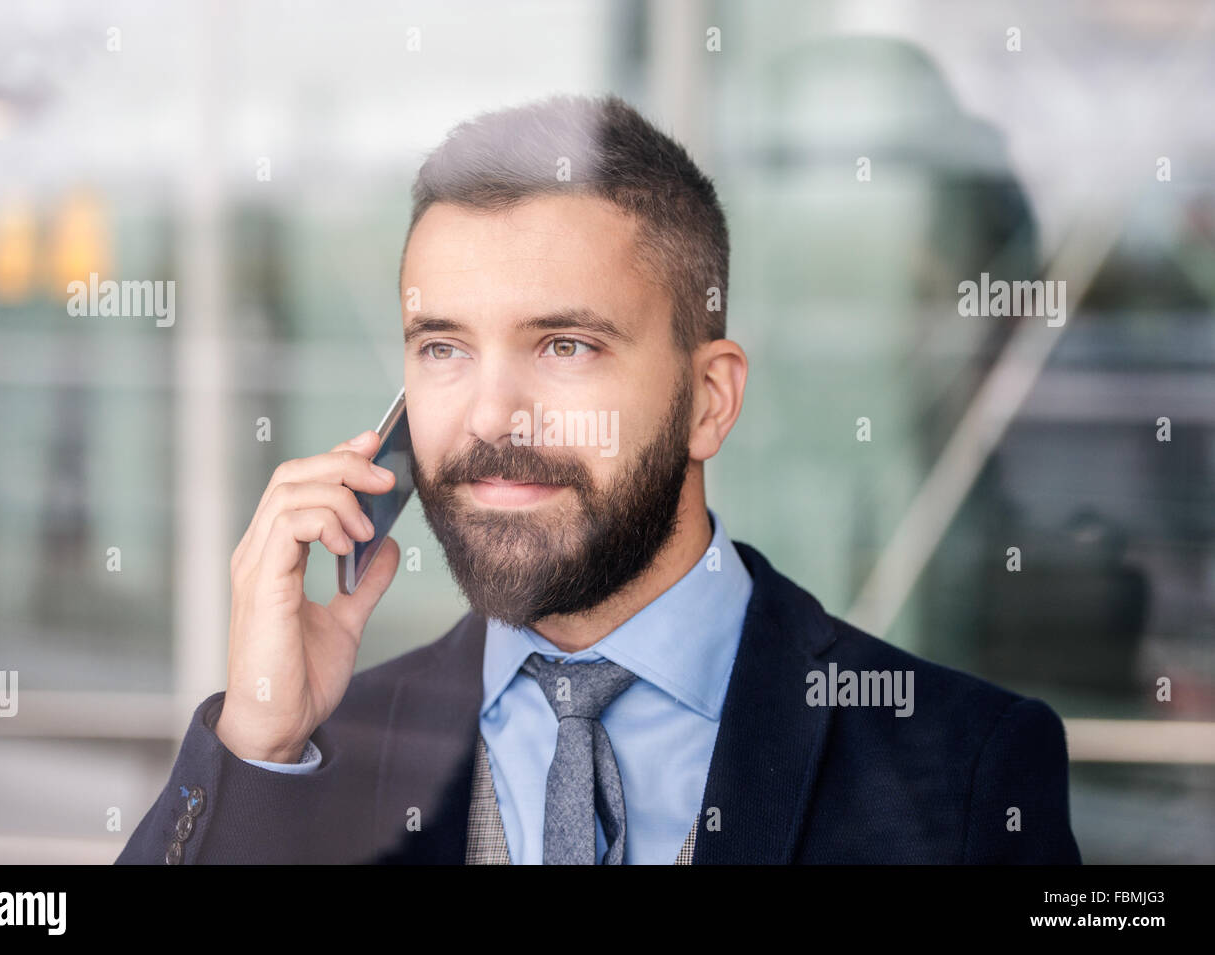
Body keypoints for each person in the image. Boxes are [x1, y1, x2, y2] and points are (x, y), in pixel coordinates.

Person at [116, 93, 1080, 865]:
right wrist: (256, 743)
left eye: (566, 343)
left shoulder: (962, 767)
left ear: (709, 399)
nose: (492, 416)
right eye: (444, 346)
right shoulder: (312, 757)